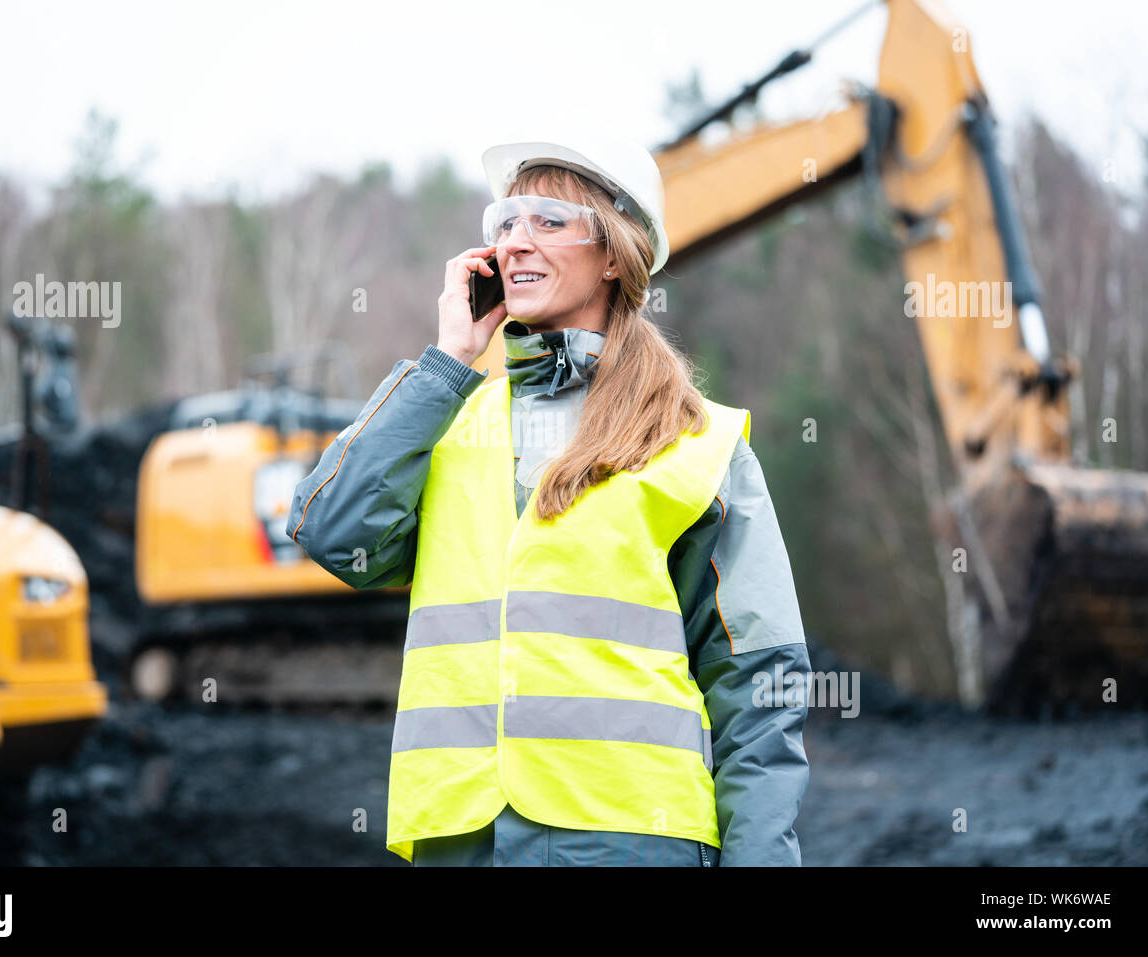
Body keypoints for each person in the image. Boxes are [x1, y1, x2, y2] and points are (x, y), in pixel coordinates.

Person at [287, 136, 811, 867]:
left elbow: (760, 684)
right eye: (504, 222)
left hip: (628, 838)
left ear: (614, 253)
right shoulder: (447, 416)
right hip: (462, 838)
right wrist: (448, 359)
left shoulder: (694, 441)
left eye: (548, 220)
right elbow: (332, 533)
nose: (515, 243)